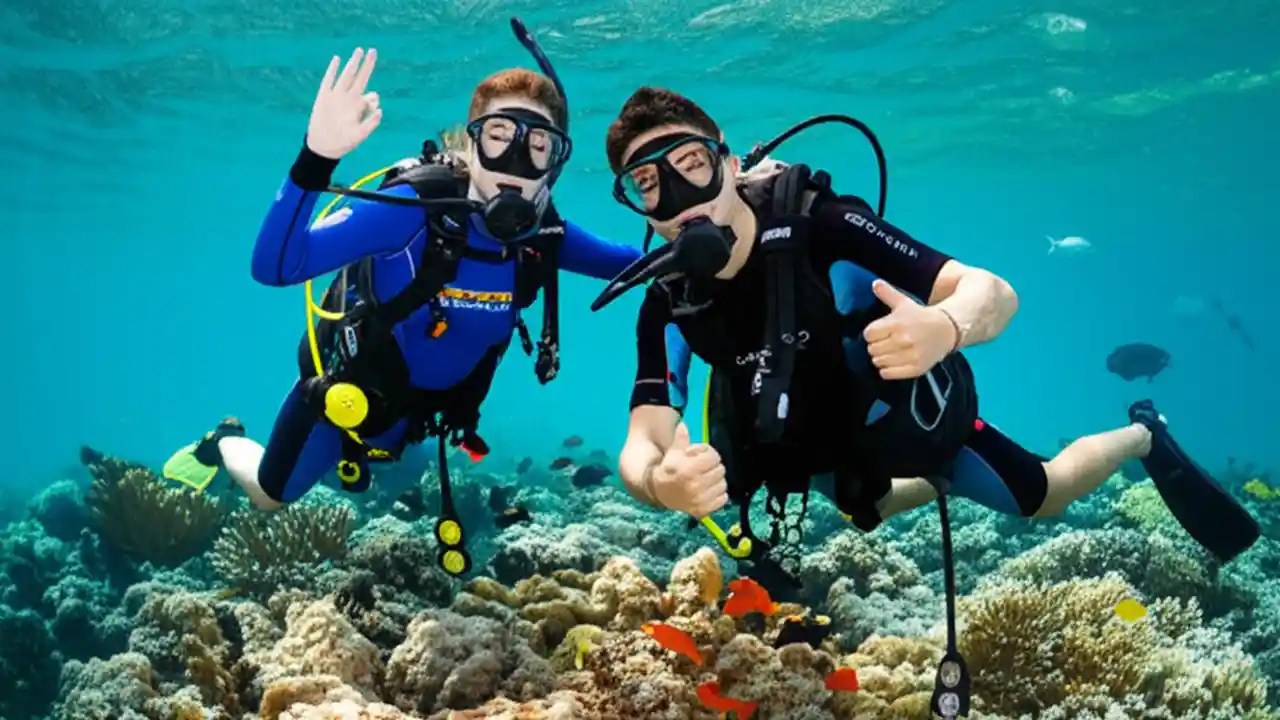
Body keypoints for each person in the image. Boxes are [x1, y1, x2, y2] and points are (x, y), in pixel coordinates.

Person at [594, 86, 1259, 580]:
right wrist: (660, 485)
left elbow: (990, 291)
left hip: (891, 410)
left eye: (690, 164)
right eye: (648, 183)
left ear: (729, 163)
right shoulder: (668, 298)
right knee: (869, 508)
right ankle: (891, 484)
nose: (679, 197)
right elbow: (643, 439)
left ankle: (1143, 432)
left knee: (1042, 496)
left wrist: (944, 326)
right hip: (799, 438)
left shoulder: (821, 227)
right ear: (635, 206)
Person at [187, 25, 642, 577]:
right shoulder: (410, 210)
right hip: (343, 401)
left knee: (390, 476)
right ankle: (226, 439)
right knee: (270, 495)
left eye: (539, 144)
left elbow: (638, 262)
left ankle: (361, 462)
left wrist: (734, 202)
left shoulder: (541, 237)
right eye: (500, 135)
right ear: (472, 142)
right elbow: (276, 266)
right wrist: (316, 158)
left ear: (556, 164)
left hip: (418, 424)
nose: (516, 160)